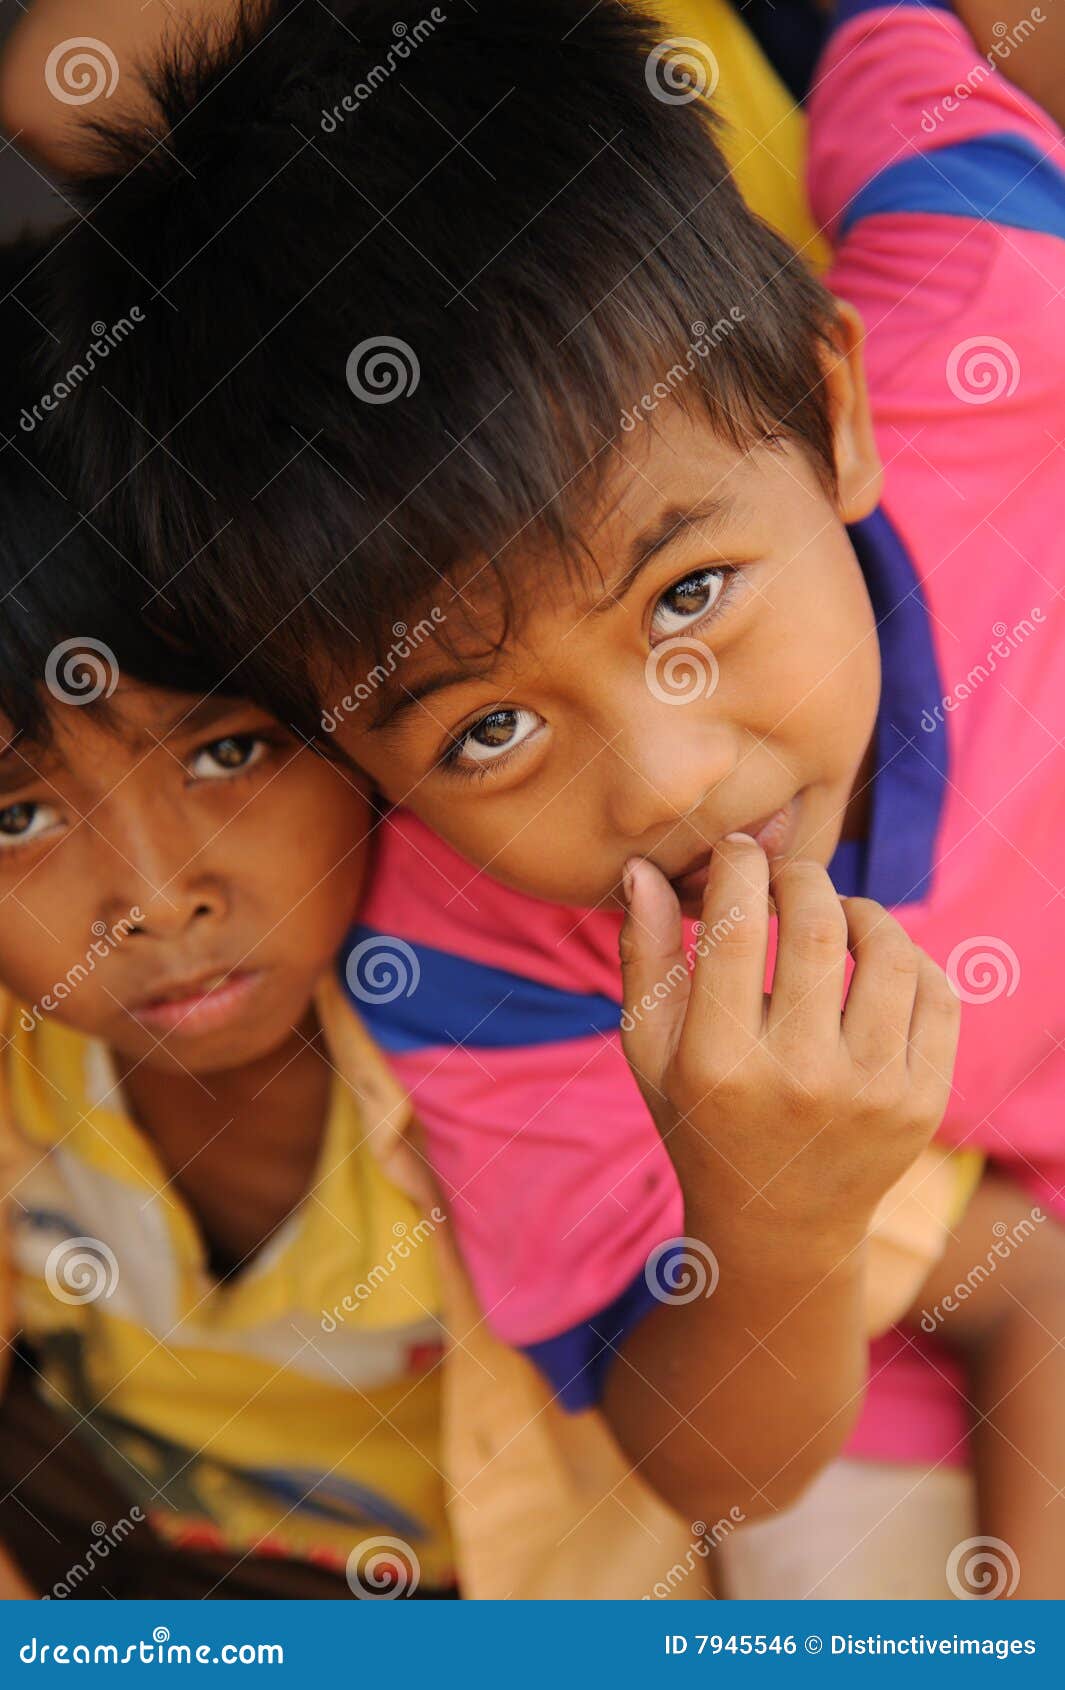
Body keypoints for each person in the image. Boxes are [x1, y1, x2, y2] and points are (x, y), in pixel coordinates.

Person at [9, 0, 1062, 1594]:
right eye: (488, 729)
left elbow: (896, 51)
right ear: (345, 752)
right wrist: (769, 1218)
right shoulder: (471, 958)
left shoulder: (984, 322)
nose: (667, 778)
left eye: (691, 593)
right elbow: (712, 1467)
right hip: (901, 1331)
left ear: (831, 411)